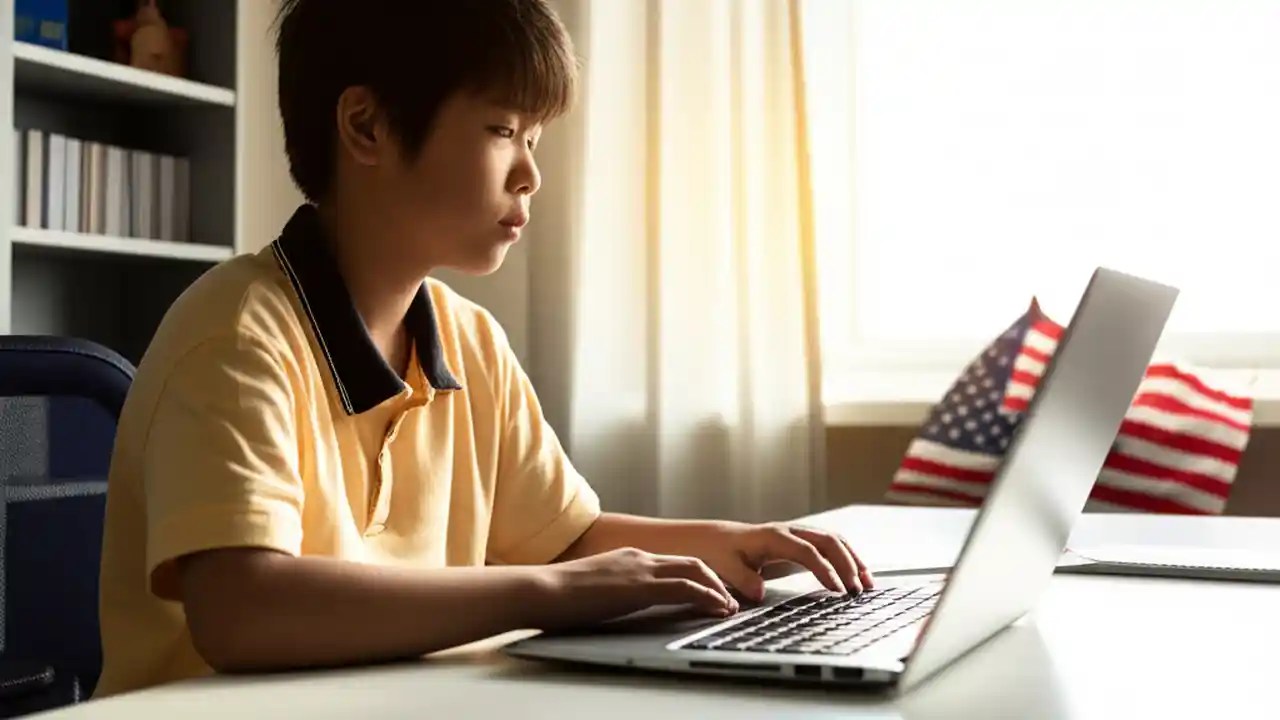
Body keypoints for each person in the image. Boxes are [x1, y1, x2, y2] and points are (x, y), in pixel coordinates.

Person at [94, 0, 873, 698]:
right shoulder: (237, 336)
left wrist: (730, 543)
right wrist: (546, 591)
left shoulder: (469, 339)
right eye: (502, 130)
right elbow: (242, 611)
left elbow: (567, 538)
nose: (530, 174)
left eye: (534, 138)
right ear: (365, 126)